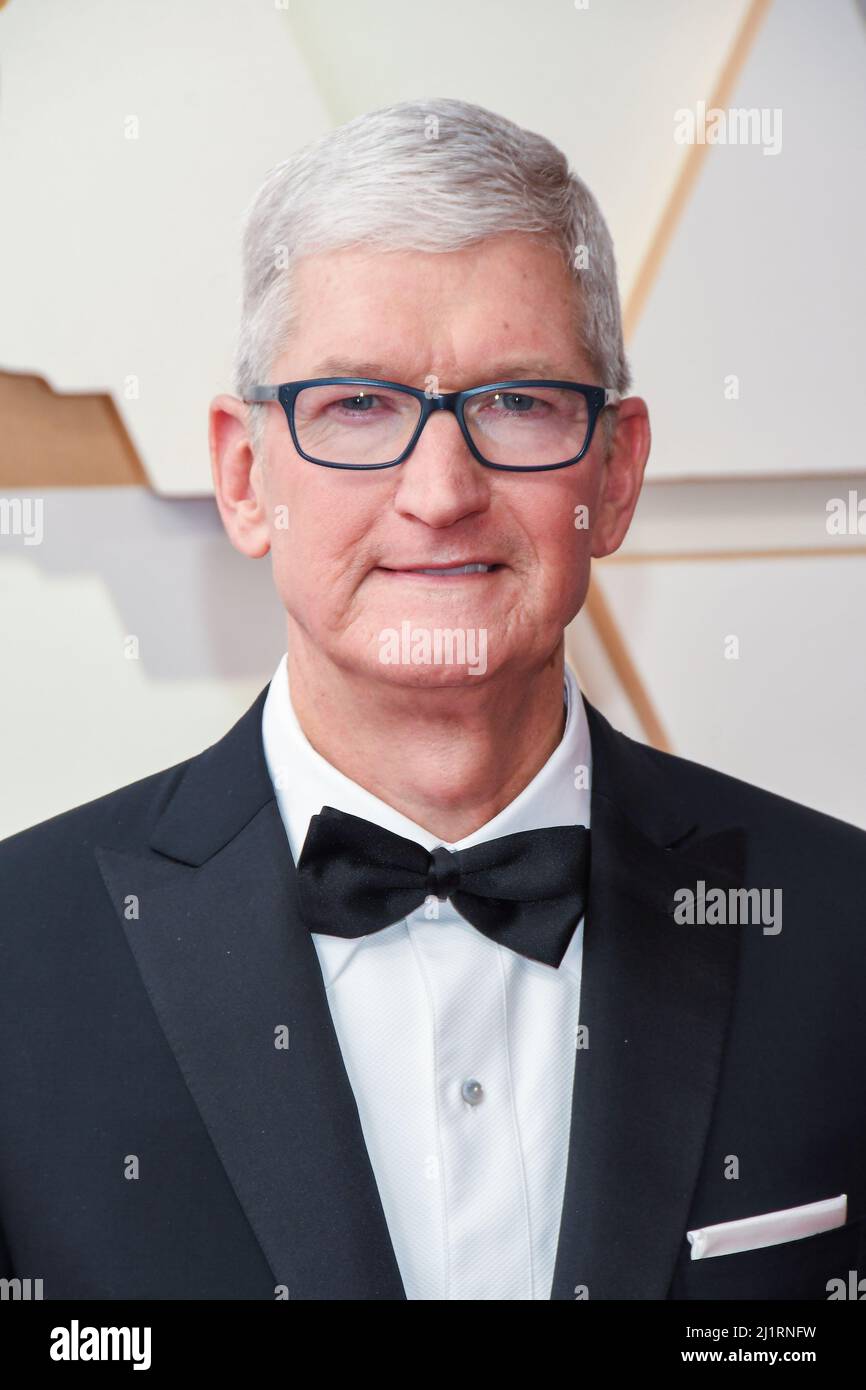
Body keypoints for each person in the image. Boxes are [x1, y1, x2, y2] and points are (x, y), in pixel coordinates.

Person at [1, 99, 863, 1302]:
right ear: (246, 477)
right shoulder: (16, 955)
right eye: (358, 404)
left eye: (515, 402)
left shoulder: (840, 928)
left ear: (612, 476)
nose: (440, 489)